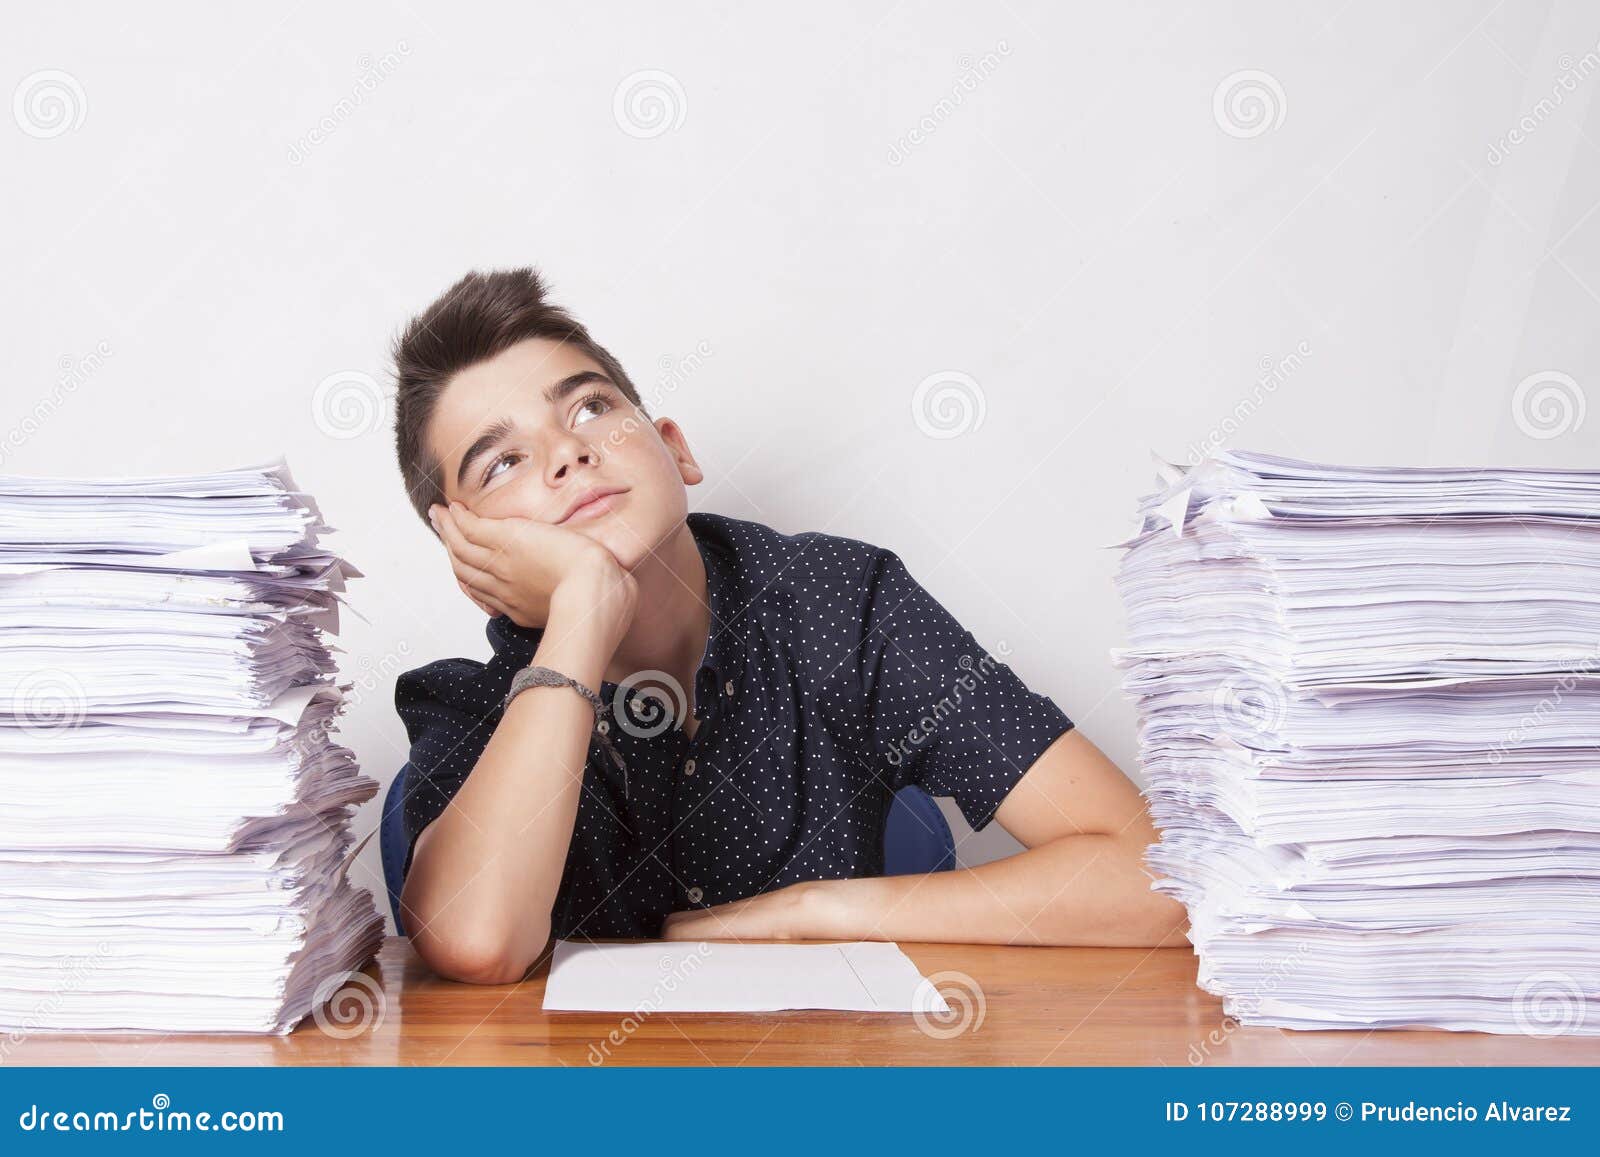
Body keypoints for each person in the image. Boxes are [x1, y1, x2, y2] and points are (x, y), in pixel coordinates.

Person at [389, 266, 1187, 985]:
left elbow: (1160, 880)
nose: (567, 451)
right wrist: (583, 608)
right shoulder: (469, 709)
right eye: (502, 463)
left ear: (675, 449)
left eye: (591, 406)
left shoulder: (840, 601)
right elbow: (480, 942)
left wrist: (820, 913)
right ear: (472, 558)